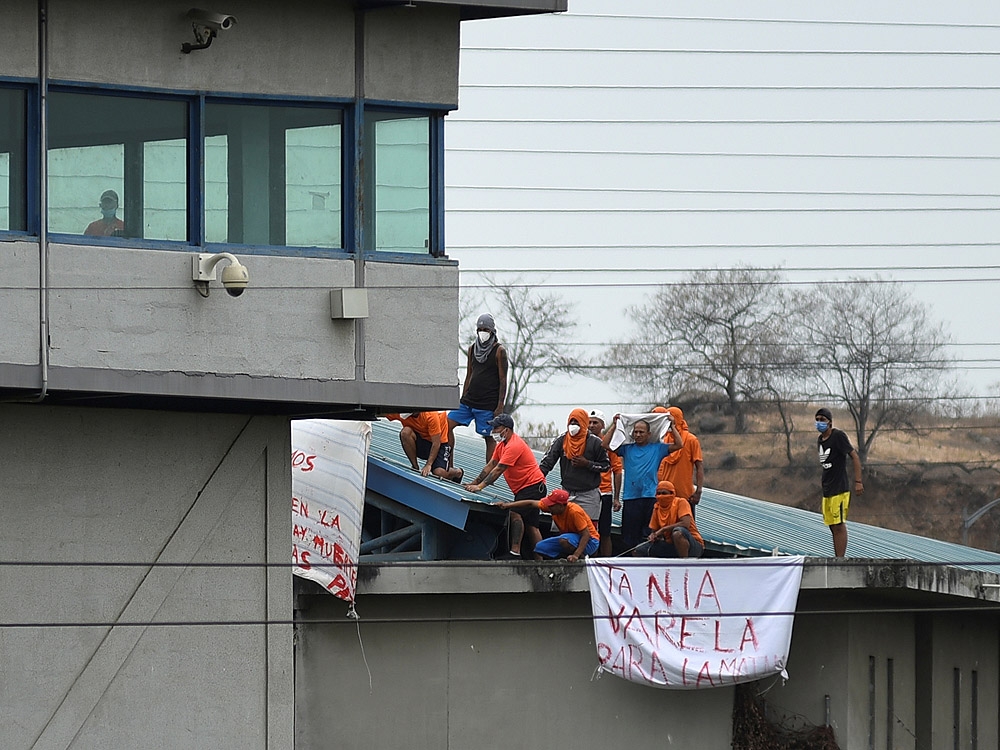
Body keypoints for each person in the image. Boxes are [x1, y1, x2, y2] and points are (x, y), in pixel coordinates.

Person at [464, 413, 546, 559]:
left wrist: (480, 487)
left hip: (532, 486)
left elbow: (499, 469)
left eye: (496, 428)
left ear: (506, 429)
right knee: (532, 525)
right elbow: (491, 464)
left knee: (515, 512)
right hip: (524, 487)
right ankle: (540, 560)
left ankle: (515, 552)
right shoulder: (501, 445)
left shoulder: (514, 445)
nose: (493, 431)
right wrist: (474, 482)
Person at [602, 413, 684, 553]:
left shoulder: (657, 448)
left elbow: (679, 444)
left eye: (641, 432)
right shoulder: (627, 449)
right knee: (629, 537)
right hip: (631, 497)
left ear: (649, 434)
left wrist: (672, 426)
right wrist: (615, 425)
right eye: (636, 432)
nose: (638, 435)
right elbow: (605, 444)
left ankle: (647, 560)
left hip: (650, 496)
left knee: (648, 535)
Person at [448, 313, 508, 464]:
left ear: (492, 331)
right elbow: (469, 374)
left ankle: (489, 474)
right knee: (446, 425)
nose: (483, 332)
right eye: (480, 329)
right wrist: (462, 396)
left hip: (487, 404)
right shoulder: (472, 349)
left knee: (490, 438)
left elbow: (503, 380)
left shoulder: (499, 351)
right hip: (468, 401)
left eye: (485, 329)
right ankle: (448, 464)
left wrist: (500, 406)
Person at [538, 408, 609, 529]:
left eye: (577, 422)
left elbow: (606, 466)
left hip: (589, 495)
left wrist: (587, 464)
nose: (573, 425)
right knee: (562, 529)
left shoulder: (595, 442)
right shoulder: (562, 440)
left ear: (584, 423)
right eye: (571, 422)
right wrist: (537, 479)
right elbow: (547, 462)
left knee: (589, 531)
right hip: (566, 494)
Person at [499, 488, 599, 562]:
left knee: (564, 540)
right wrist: (508, 505)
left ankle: (580, 558)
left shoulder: (574, 511)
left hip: (590, 541)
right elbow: (531, 503)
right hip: (571, 539)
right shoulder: (554, 508)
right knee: (539, 547)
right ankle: (564, 557)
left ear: (560, 505)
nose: (549, 508)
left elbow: (586, 534)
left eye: (551, 506)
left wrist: (576, 555)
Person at [815, 407, 864, 557]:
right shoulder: (820, 440)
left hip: (839, 488)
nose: (819, 423)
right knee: (831, 524)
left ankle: (840, 559)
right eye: (817, 420)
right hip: (827, 489)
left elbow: (854, 456)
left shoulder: (838, 436)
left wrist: (858, 481)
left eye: (822, 420)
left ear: (830, 422)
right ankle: (836, 556)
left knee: (839, 524)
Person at [385, 411, 464, 482]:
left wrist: (428, 464)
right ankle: (415, 466)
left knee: (439, 473)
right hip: (422, 440)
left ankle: (457, 472)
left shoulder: (430, 415)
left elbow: (436, 443)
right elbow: (382, 413)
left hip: (439, 444)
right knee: (405, 432)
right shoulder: (401, 411)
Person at [654, 406, 704, 516]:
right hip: (664, 495)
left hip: (685, 495)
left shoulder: (691, 440)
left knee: (684, 529)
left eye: (671, 418)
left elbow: (699, 466)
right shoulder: (664, 439)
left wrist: (699, 491)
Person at [635, 481, 704, 558]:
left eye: (664, 493)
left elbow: (685, 524)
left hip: (693, 546)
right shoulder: (657, 507)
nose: (661, 496)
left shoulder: (681, 502)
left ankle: (684, 564)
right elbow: (654, 532)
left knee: (678, 532)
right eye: (659, 493)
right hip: (671, 545)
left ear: (672, 493)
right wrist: (654, 536)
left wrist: (663, 529)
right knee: (639, 550)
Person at [588, 409, 621, 556]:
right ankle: (590, 560)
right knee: (588, 529)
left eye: (595, 422)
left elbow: (617, 470)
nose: (591, 425)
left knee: (605, 530)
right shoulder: (582, 444)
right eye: (589, 422)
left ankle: (607, 562)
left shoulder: (608, 445)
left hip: (604, 492)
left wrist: (616, 498)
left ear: (602, 425)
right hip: (586, 493)